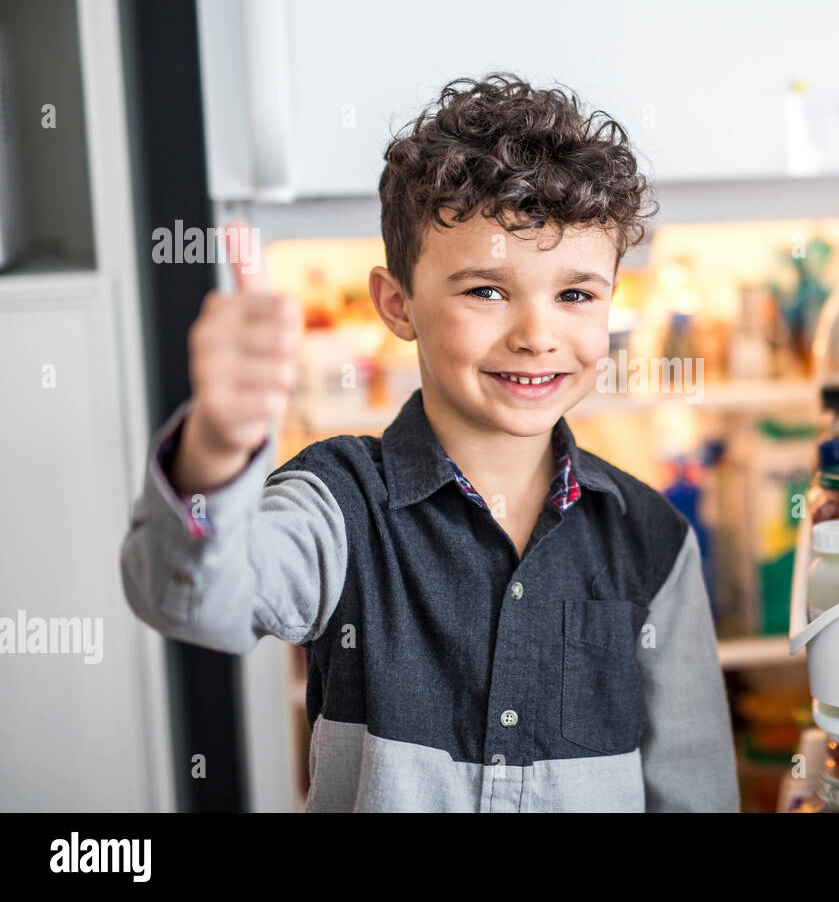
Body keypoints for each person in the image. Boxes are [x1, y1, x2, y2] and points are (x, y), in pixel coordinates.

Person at [120, 73, 740, 812]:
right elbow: (191, 600)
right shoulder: (337, 508)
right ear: (398, 303)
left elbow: (695, 790)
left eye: (575, 294)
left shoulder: (654, 539)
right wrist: (216, 448)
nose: (537, 335)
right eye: (486, 290)